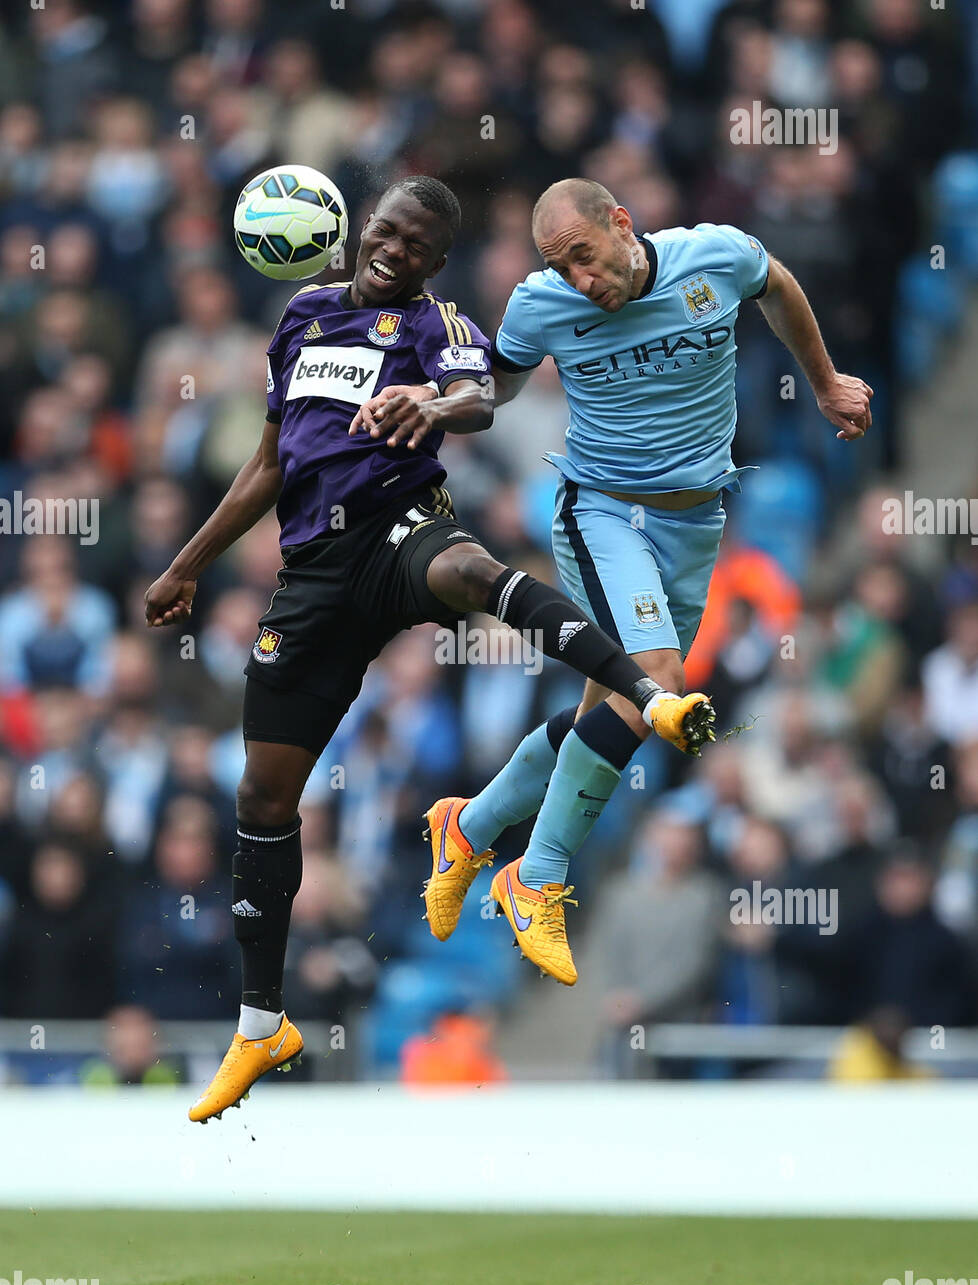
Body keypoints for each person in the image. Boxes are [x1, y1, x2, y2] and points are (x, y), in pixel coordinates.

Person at [144, 175, 697, 1122]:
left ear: (437, 263)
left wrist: (431, 408)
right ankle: (260, 1025)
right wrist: (187, 563)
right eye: (388, 233)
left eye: (417, 247)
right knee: (261, 796)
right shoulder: (304, 318)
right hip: (313, 578)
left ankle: (649, 696)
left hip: (399, 530)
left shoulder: (440, 326)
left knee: (475, 573)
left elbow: (478, 399)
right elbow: (269, 464)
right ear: (366, 228)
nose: (396, 251)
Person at [355, 177, 873, 985]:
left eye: (586, 259)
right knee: (655, 687)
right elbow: (494, 388)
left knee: (615, 712)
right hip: (603, 514)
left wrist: (824, 382)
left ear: (622, 224)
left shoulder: (716, 257)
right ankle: (538, 875)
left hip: (697, 521)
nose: (580, 283)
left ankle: (470, 826)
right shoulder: (540, 305)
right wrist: (430, 393)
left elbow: (778, 284)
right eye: (562, 268)